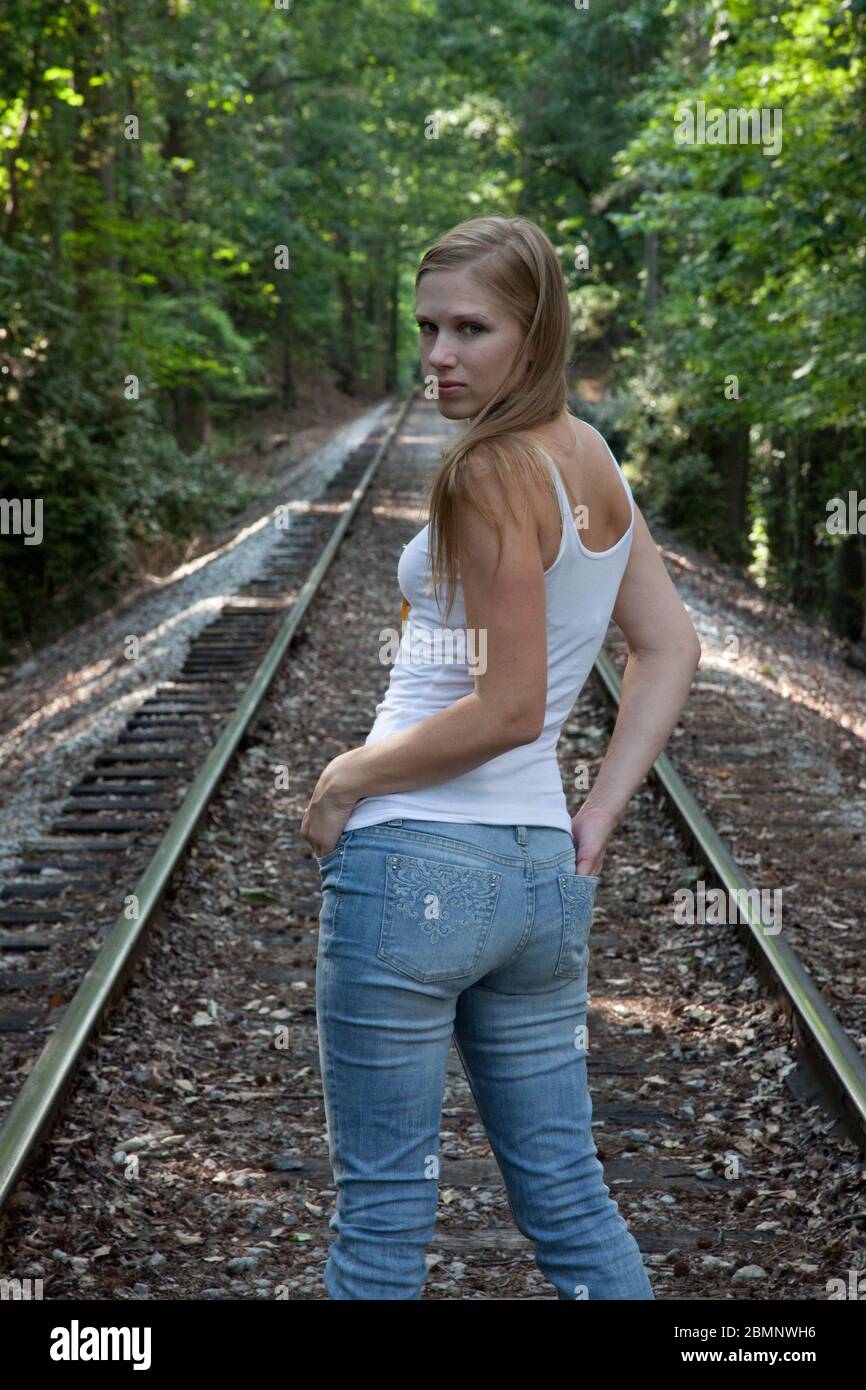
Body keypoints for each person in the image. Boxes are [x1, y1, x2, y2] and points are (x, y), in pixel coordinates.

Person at [301, 215, 702, 1300]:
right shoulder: (590, 458)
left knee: (382, 1216)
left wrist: (348, 775)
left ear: (537, 333)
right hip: (536, 875)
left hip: (413, 863)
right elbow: (668, 645)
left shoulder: (487, 472)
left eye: (471, 329)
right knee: (569, 1199)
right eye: (426, 327)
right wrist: (595, 817)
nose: (438, 356)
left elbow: (509, 706)